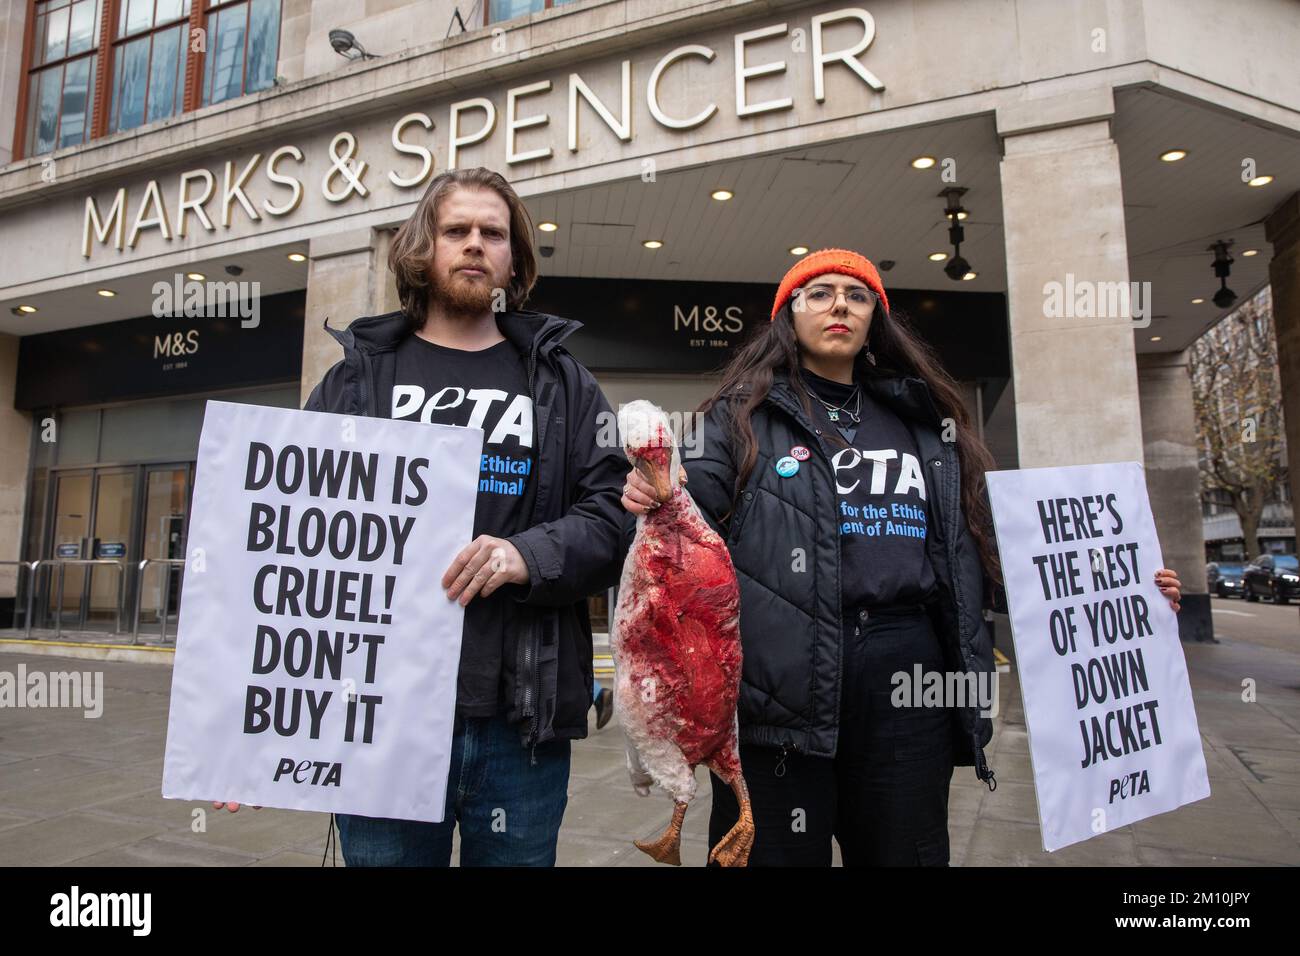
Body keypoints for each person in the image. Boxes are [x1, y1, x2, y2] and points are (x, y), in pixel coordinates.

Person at [621, 248, 1183, 866]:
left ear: (875, 320)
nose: (840, 304)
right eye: (820, 293)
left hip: (910, 682)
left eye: (857, 296)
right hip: (778, 688)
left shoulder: (926, 423)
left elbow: (992, 548)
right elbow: (683, 524)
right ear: (788, 315)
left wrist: (1122, 584)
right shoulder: (738, 419)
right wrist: (655, 492)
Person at [217, 167, 628, 867]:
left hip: (519, 723)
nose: (475, 245)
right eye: (456, 230)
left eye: (492, 233)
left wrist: (529, 554)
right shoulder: (358, 377)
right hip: (380, 721)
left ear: (514, 258)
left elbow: (614, 517)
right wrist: (253, 734)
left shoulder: (563, 382)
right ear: (423, 248)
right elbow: (287, 545)